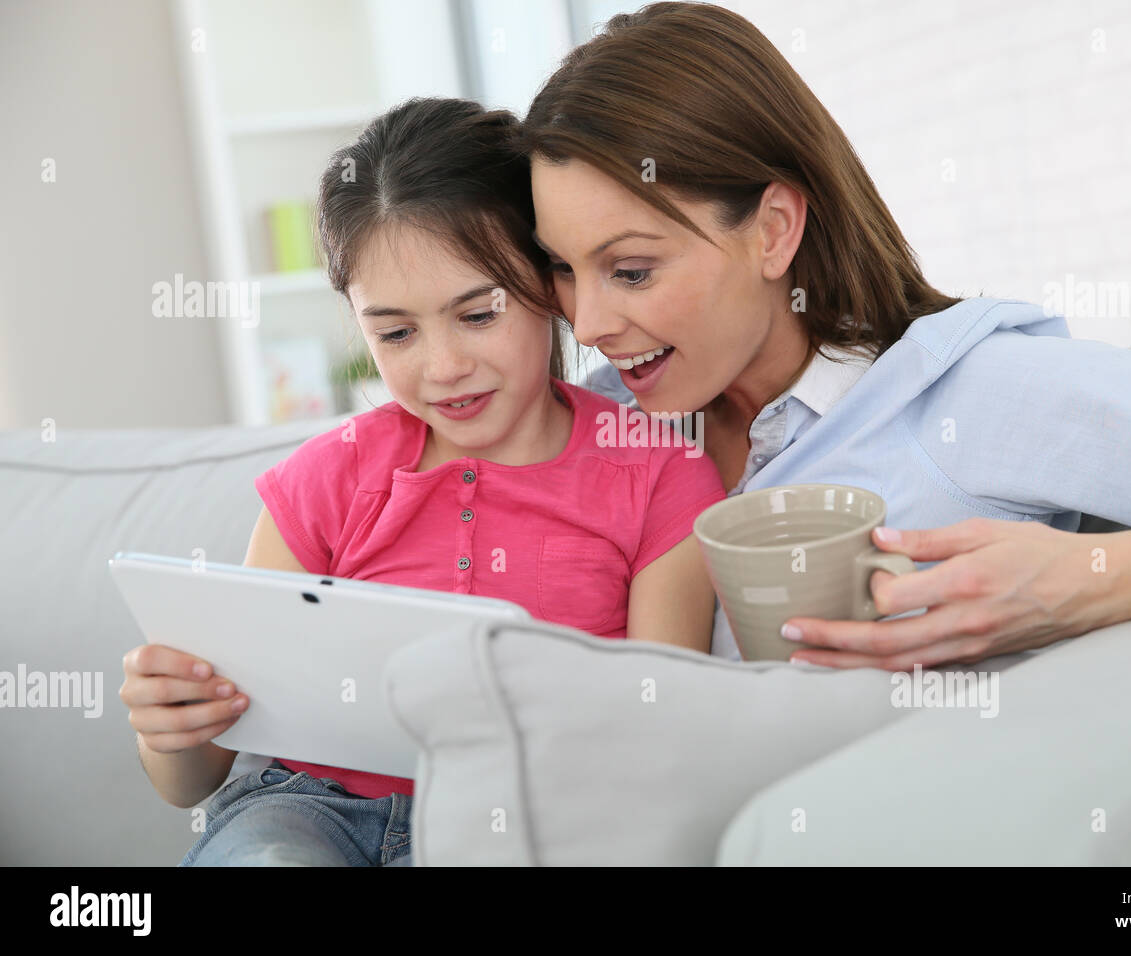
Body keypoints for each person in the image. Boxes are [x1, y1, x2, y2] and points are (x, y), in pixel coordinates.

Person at [520, 1, 1131, 668]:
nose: (587, 324)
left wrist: (1091, 580)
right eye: (561, 269)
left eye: (630, 271)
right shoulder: (594, 427)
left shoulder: (971, 396)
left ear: (773, 231)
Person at [119, 97, 725, 866]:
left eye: (478, 315)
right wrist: (172, 727)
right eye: (396, 333)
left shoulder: (660, 476)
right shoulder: (327, 478)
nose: (443, 368)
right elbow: (194, 779)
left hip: (526, 817)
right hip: (305, 811)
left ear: (550, 283)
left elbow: (664, 734)